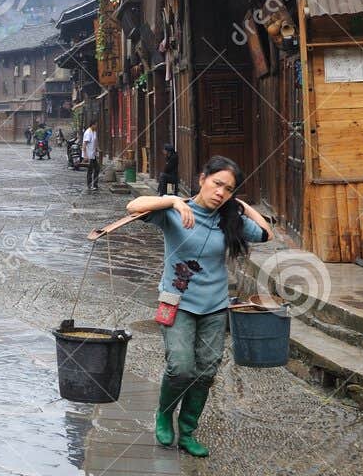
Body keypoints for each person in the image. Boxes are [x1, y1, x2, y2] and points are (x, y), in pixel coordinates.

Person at [112, 157, 272, 458]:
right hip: (177, 303)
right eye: (217, 184)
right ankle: (164, 414)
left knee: (206, 371)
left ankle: (187, 431)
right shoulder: (173, 213)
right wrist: (172, 200)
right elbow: (132, 208)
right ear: (202, 179)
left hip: (214, 307)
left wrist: (240, 205)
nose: (220, 192)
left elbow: (267, 233)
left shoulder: (230, 219)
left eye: (228, 189)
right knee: (181, 367)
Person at [82, 123, 101, 190]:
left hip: (93, 154)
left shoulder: (94, 132)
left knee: (97, 169)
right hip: (89, 154)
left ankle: (95, 185)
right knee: (90, 170)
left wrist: (97, 148)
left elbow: (95, 141)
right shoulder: (88, 132)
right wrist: (85, 155)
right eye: (95, 125)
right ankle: (90, 185)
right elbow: (84, 144)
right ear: (92, 125)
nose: (96, 126)